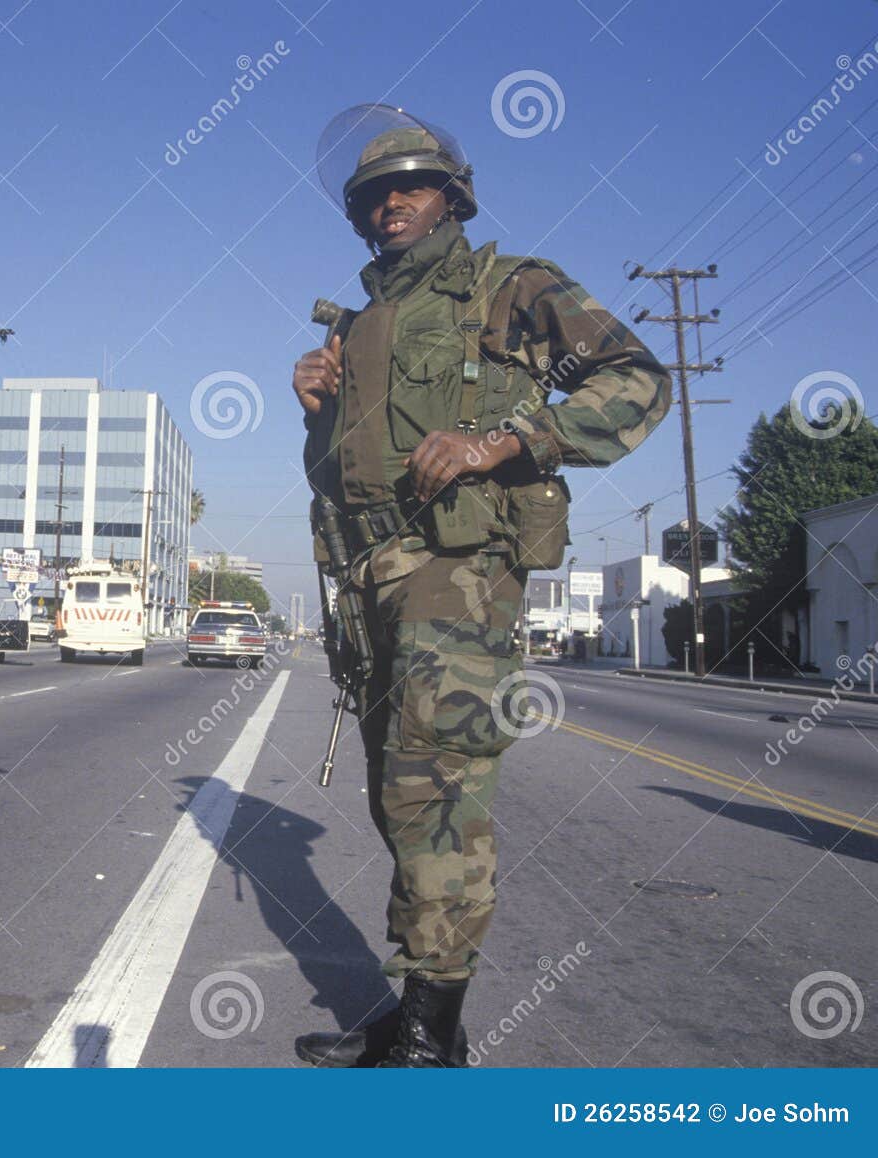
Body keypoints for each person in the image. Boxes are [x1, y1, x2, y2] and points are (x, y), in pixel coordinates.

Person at [292, 105, 670, 1067]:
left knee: (437, 790)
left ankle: (432, 1038)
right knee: (395, 789)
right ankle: (418, 1009)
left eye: (410, 187)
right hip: (371, 578)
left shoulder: (508, 288)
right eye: (374, 195)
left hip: (457, 574)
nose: (390, 206)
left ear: (452, 196)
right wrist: (316, 416)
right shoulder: (368, 321)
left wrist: (503, 441)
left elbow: (635, 380)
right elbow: (342, 477)